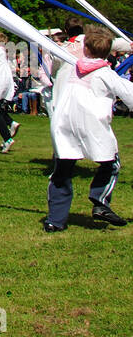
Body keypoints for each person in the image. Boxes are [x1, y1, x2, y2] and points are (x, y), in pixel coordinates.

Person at [44, 26, 133, 232]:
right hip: (91, 123)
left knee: (62, 171)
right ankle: (100, 201)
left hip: (64, 121)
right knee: (111, 164)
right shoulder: (106, 73)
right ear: (109, 51)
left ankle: (54, 221)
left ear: (84, 47)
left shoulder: (72, 65)